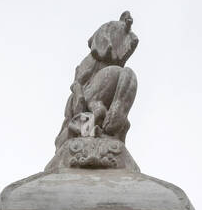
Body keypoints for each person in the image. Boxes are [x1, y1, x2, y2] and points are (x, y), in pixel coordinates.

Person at [55, 11, 139, 149]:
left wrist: (79, 95)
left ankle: (97, 121)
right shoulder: (112, 65)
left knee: (90, 105)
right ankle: (111, 133)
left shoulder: (91, 61)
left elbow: (78, 88)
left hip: (87, 105)